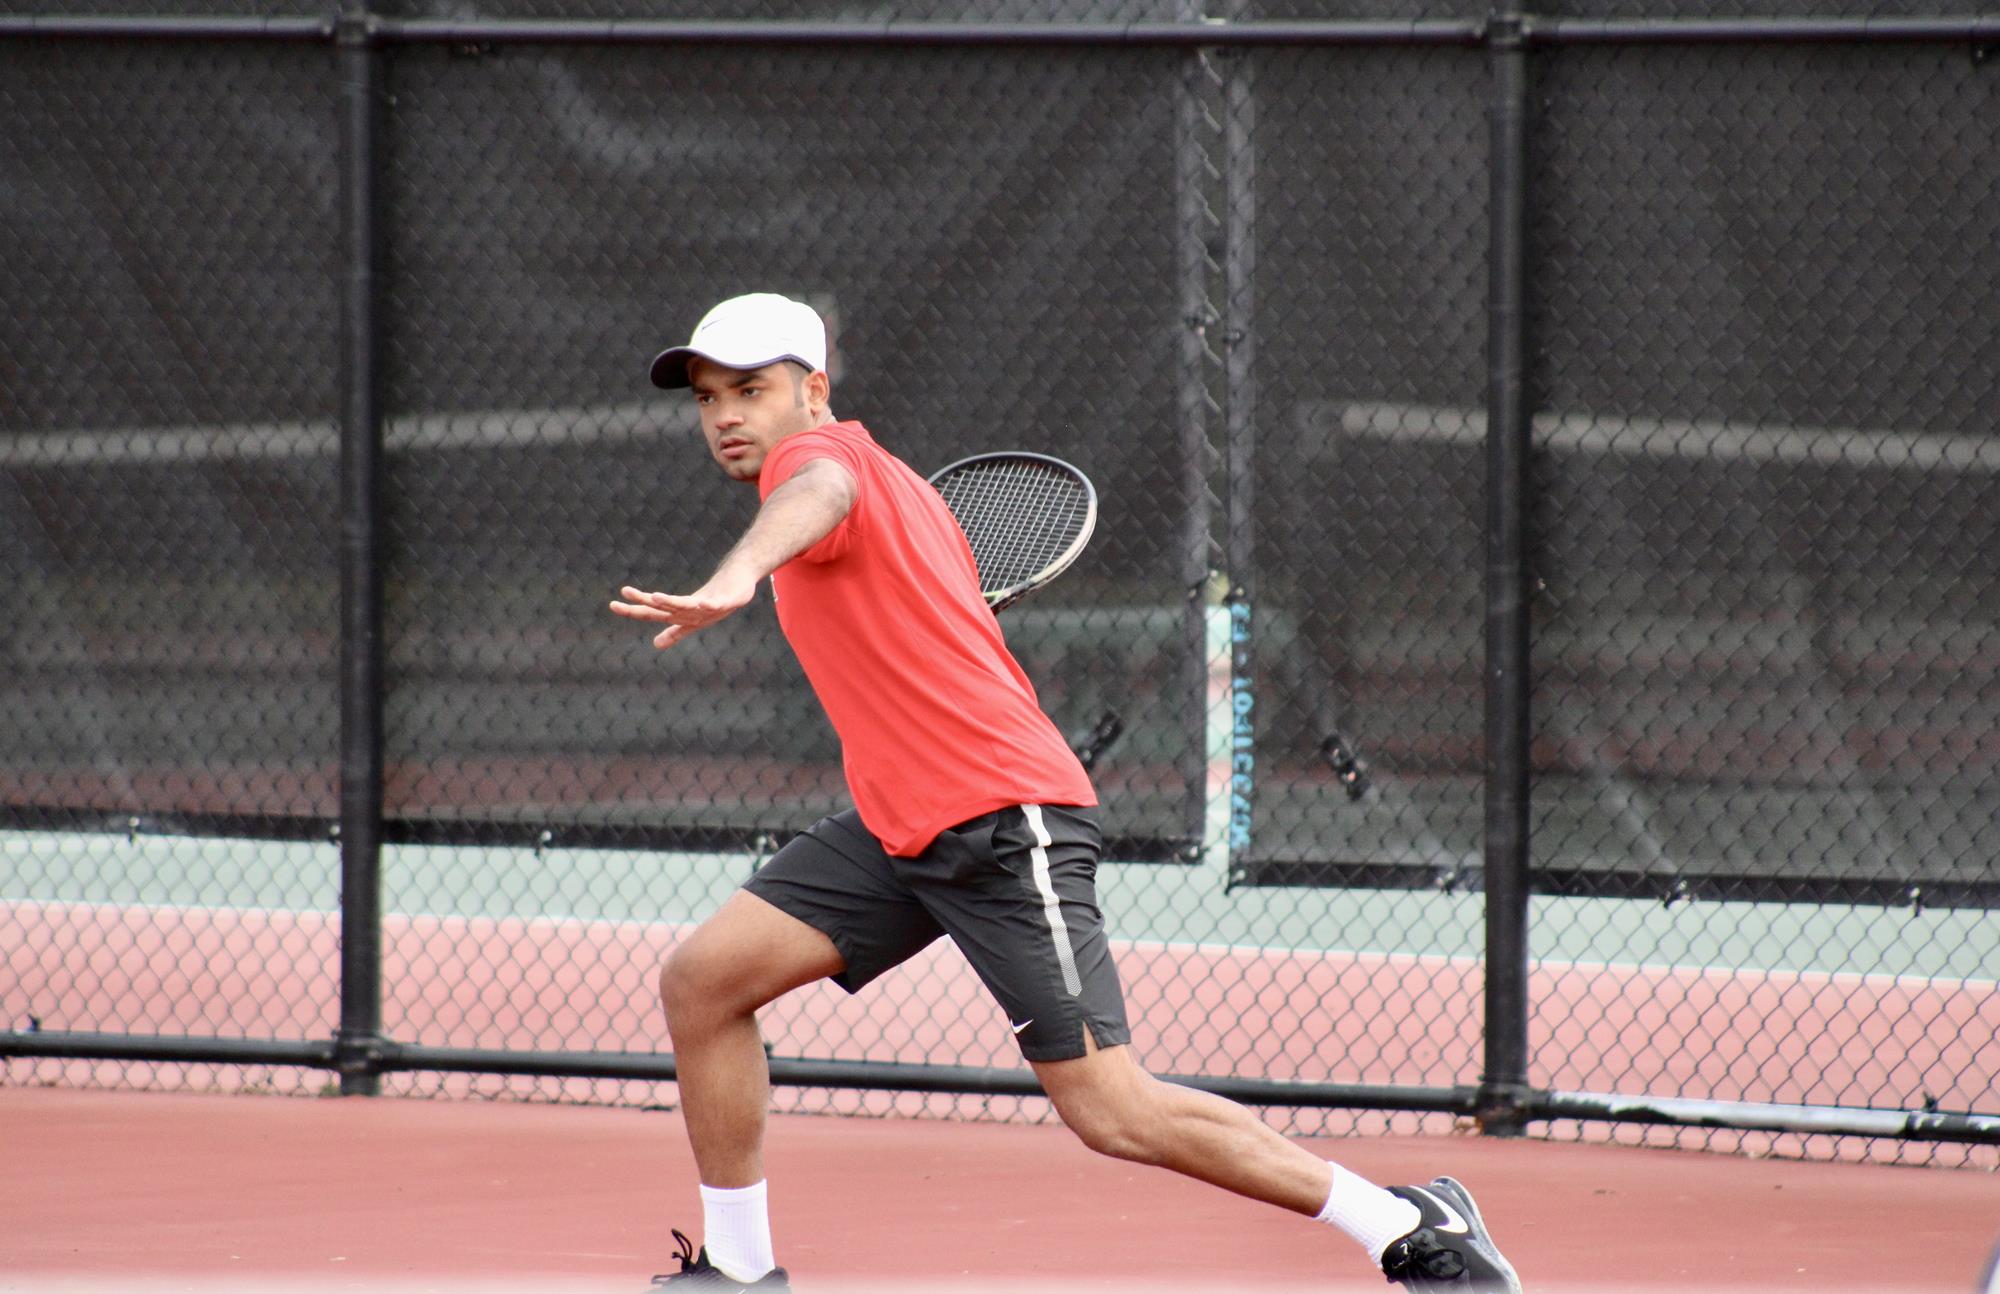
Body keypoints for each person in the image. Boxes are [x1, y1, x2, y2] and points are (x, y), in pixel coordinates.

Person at [610, 292, 1521, 1293]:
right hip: (898, 823)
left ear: (812, 389)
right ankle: (740, 1269)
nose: (725, 414)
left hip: (998, 815)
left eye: (750, 387)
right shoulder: (904, 495)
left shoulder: (825, 464)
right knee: (703, 983)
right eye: (706, 397)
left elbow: (812, 488)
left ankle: (1406, 1223)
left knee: (1109, 1108)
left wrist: (737, 574)